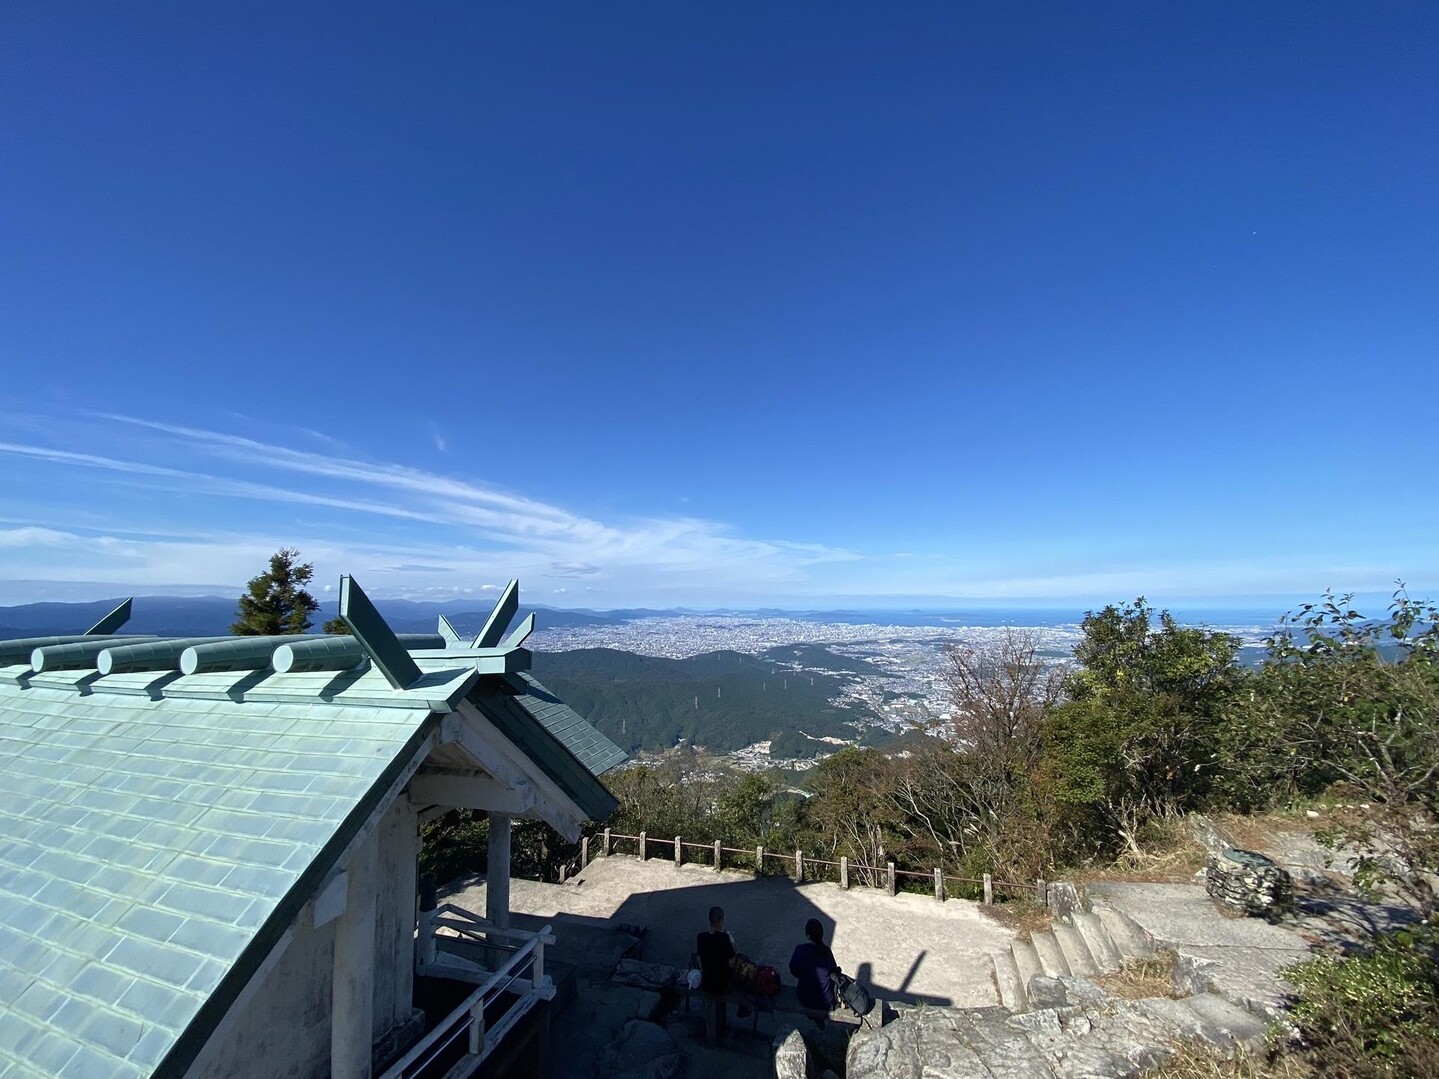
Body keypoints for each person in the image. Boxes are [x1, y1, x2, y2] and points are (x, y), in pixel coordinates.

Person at [695, 905, 736, 1039]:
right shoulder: (725, 938)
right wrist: (733, 946)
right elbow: (731, 963)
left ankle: (710, 1029)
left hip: (706, 981)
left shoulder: (700, 937)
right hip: (722, 985)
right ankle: (721, 1028)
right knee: (724, 987)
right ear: (721, 920)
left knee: (709, 998)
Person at [788, 918, 839, 1024]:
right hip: (826, 1001)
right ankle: (818, 1020)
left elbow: (793, 970)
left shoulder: (800, 950)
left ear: (807, 935)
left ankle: (815, 1019)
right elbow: (834, 972)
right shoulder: (827, 952)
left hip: (805, 997)